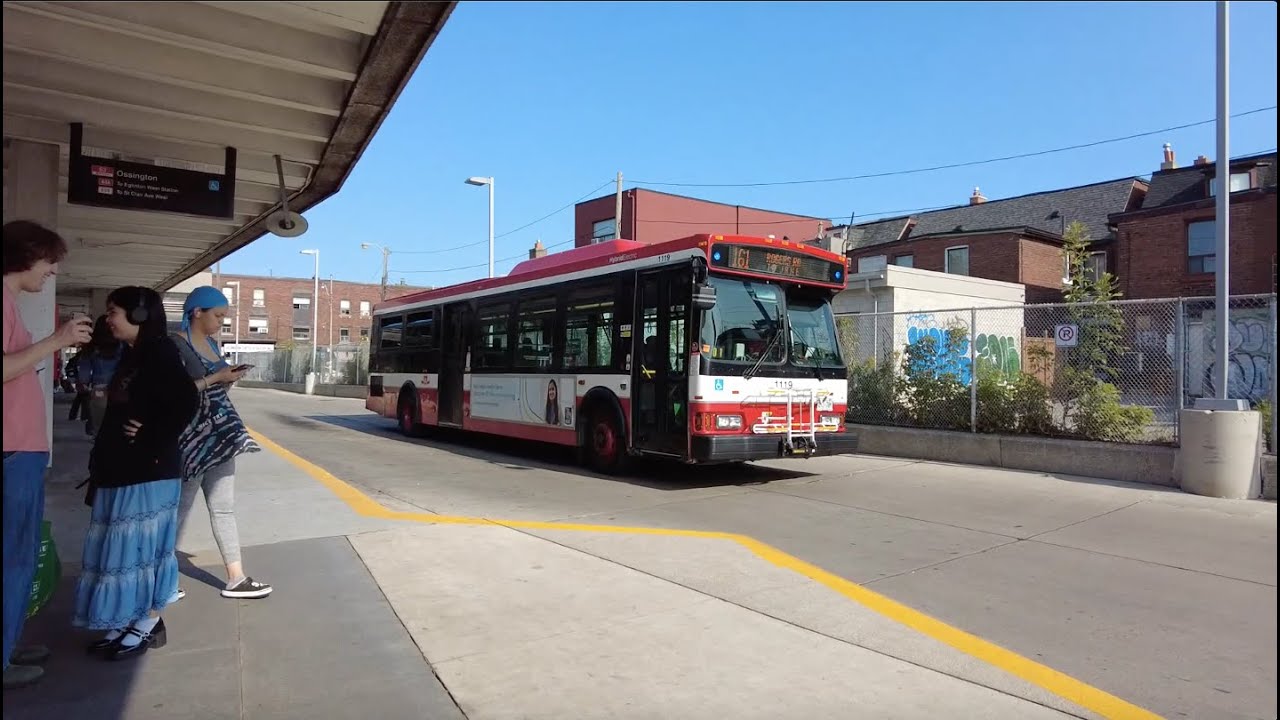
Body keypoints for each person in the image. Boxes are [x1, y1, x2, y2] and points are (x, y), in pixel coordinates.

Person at [75, 286, 199, 661]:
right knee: (123, 550)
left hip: (149, 473)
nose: (108, 318)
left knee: (143, 551)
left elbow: (187, 400)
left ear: (140, 315)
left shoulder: (159, 351)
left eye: (113, 311)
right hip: (125, 472)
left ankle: (146, 622)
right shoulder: (134, 355)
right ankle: (128, 619)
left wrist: (151, 436)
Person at [3, 220, 93, 689]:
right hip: (12, 449)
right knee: (12, 556)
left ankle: (9, 641)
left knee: (16, 553)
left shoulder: (10, 304)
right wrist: (56, 342)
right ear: (26, 255)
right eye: (49, 260)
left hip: (20, 447)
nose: (52, 270)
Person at [172, 286, 271, 600]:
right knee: (180, 510)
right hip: (190, 438)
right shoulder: (175, 345)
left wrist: (227, 380)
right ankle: (162, 577)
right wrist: (217, 378)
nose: (220, 322)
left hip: (220, 436)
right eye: (217, 315)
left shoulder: (213, 344)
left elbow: (214, 395)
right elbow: (176, 392)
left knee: (223, 508)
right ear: (196, 312)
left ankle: (236, 577)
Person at [84, 316, 124, 437]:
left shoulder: (91, 346)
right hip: (119, 389)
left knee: (99, 428)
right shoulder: (122, 345)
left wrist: (85, 384)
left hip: (99, 389)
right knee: (117, 426)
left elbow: (84, 373)